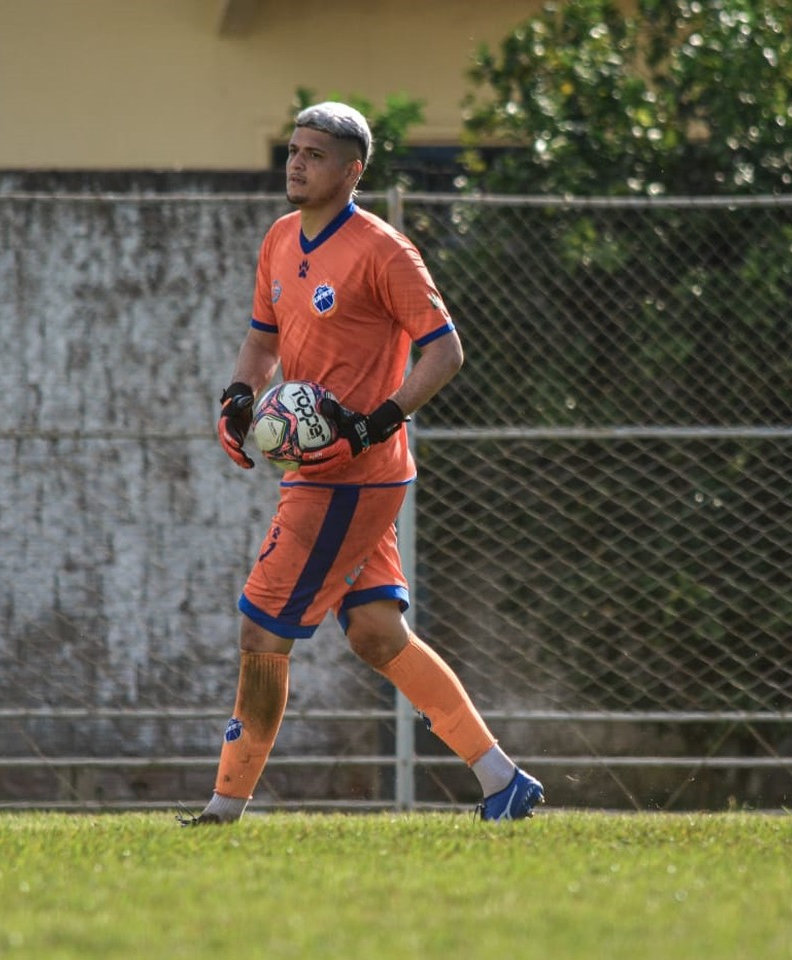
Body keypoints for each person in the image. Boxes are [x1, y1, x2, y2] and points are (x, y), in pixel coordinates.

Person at [184, 101, 543, 824]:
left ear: (352, 171)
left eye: (314, 155)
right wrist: (236, 399)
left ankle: (223, 810)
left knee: (262, 633)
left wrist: (377, 421)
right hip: (331, 475)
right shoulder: (281, 238)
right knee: (378, 633)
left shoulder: (384, 250)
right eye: (292, 149)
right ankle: (503, 781)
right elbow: (261, 343)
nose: (296, 163)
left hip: (351, 476)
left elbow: (445, 351)